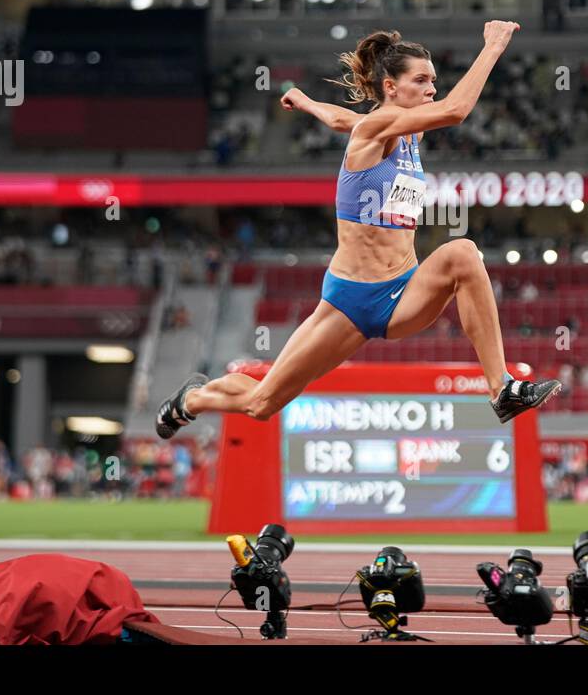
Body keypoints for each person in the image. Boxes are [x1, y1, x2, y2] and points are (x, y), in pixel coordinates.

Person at [157, 23, 561, 438]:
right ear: (390, 86)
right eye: (420, 81)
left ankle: (502, 389)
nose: (431, 90)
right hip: (350, 301)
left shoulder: (406, 132)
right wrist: (493, 47)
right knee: (262, 404)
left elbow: (341, 119)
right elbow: (455, 111)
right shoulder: (378, 128)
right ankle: (193, 399)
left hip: (404, 289)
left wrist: (307, 101)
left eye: (434, 82)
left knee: (463, 253)